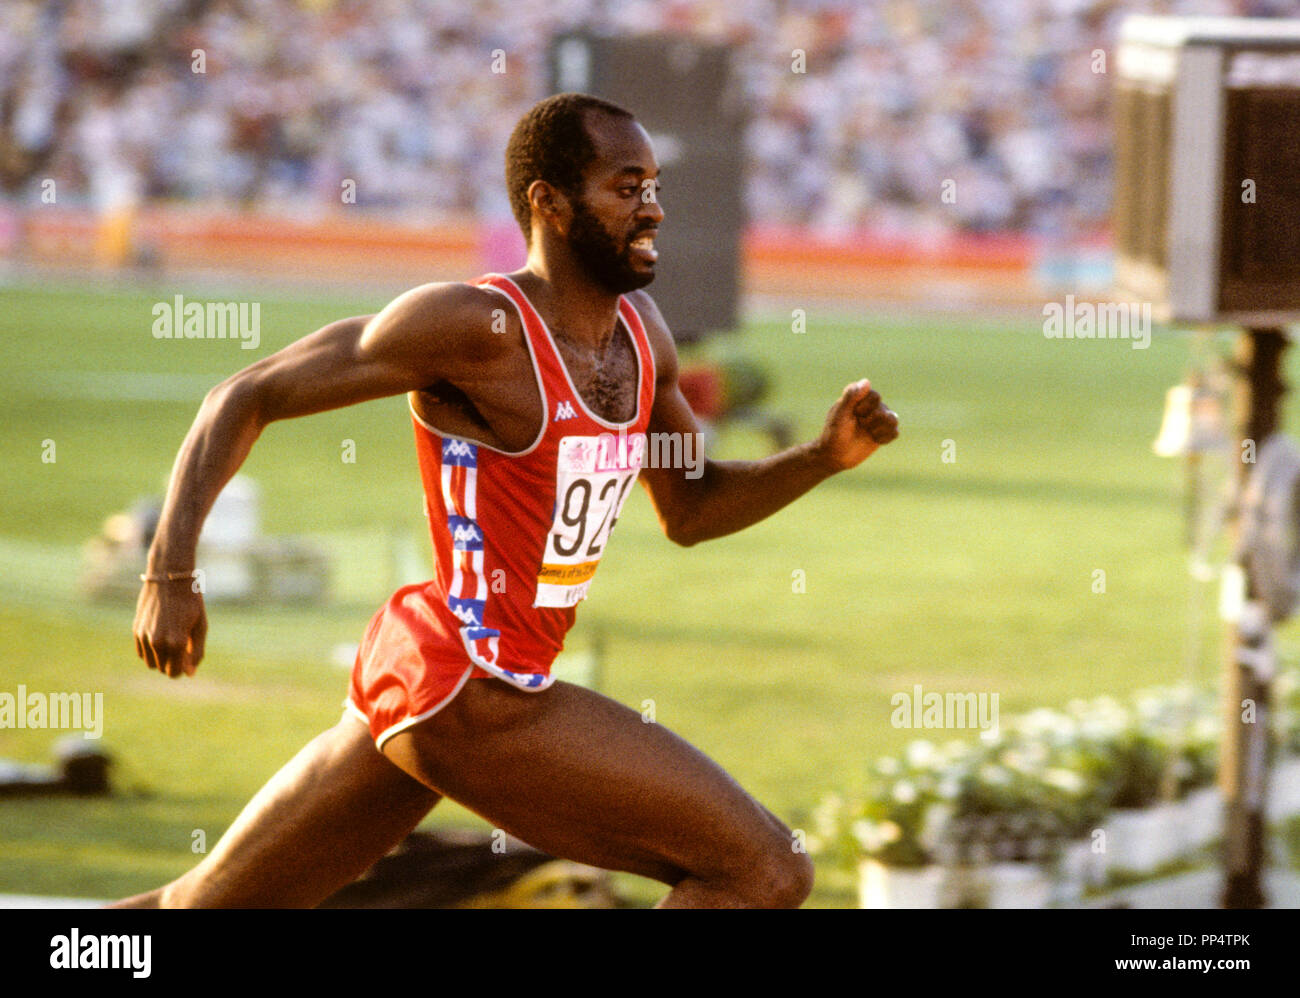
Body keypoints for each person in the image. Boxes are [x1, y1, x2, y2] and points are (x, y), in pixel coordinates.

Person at [116, 92, 899, 909]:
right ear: (549, 202)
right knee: (766, 869)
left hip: (435, 677)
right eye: (626, 187)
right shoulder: (472, 326)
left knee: (200, 909)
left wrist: (821, 458)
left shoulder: (645, 337)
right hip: (470, 680)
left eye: (655, 185)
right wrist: (169, 574)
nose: (653, 208)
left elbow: (693, 508)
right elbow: (244, 395)